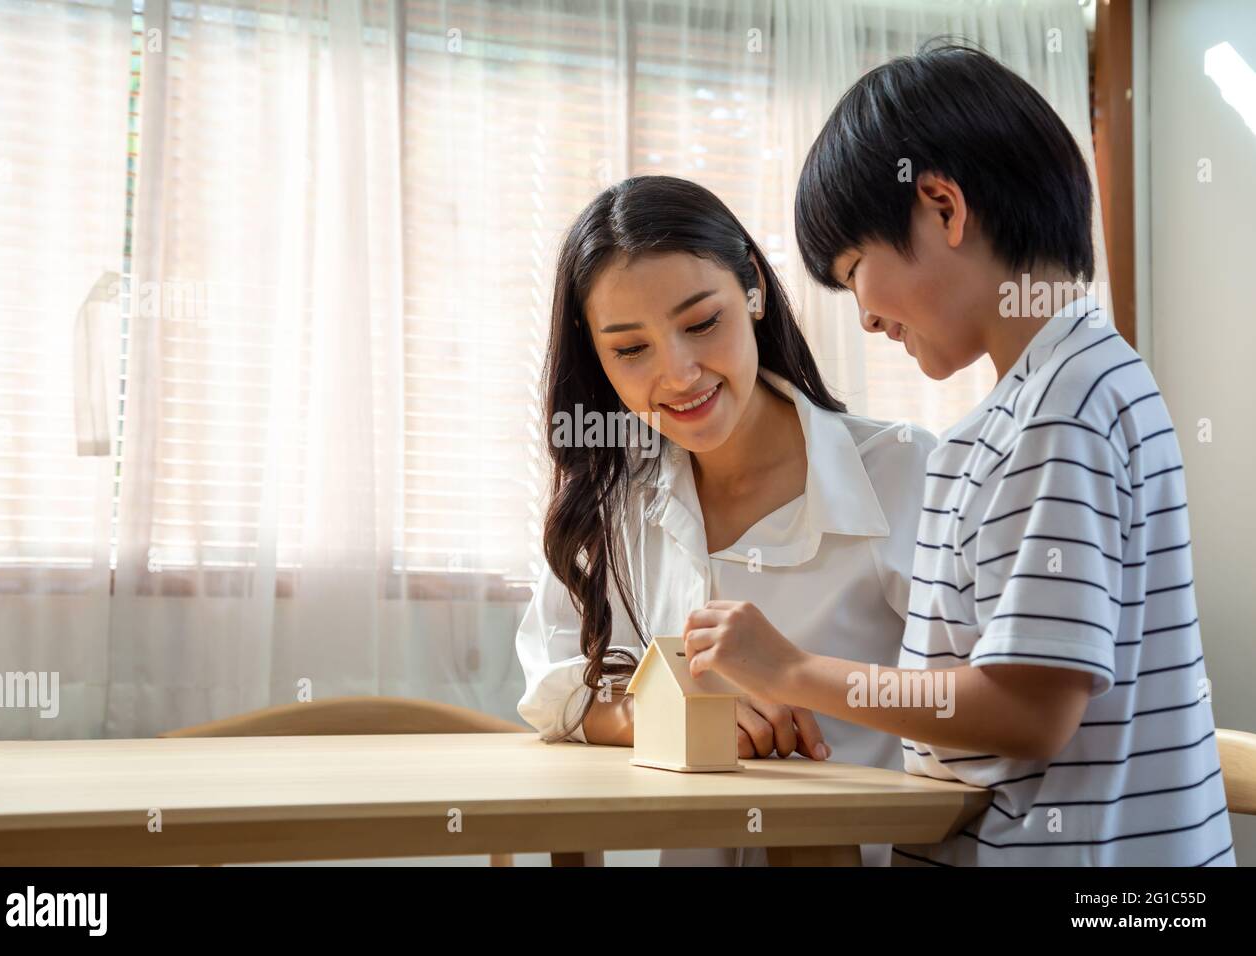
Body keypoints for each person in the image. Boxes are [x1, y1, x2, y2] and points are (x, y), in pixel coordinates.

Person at [686, 43, 1234, 866]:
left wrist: (793, 669)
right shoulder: (1047, 398)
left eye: (855, 269)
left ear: (943, 207)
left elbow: (1027, 713)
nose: (866, 319)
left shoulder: (1065, 404)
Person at [515, 174, 936, 866]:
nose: (678, 374)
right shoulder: (615, 501)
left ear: (754, 294)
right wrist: (666, 713)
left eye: (702, 323)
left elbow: (987, 703)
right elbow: (551, 684)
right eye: (630, 348)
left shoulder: (903, 471)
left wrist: (799, 677)